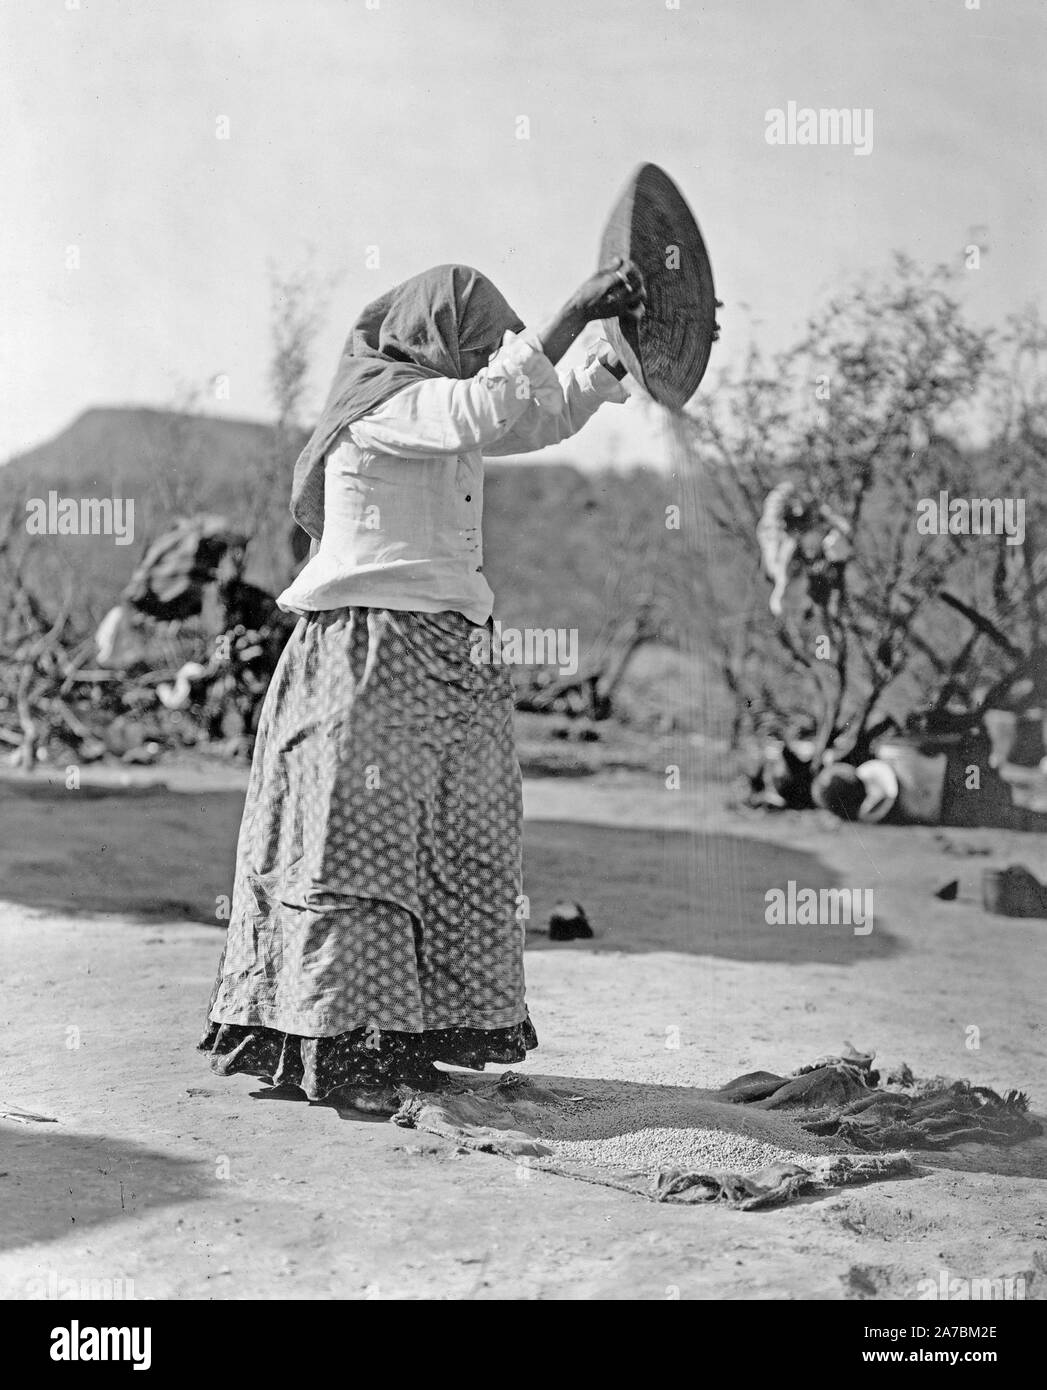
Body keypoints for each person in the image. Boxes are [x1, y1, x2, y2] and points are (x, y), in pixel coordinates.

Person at [199, 260, 645, 1112]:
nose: (496, 356)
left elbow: (531, 418)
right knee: (363, 848)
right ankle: (344, 1053)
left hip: (454, 654)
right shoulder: (383, 411)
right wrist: (573, 308)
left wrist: (617, 349)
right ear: (437, 340)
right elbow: (485, 404)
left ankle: (412, 1037)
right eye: (483, 341)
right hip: (371, 650)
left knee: (451, 841)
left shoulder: (444, 419)